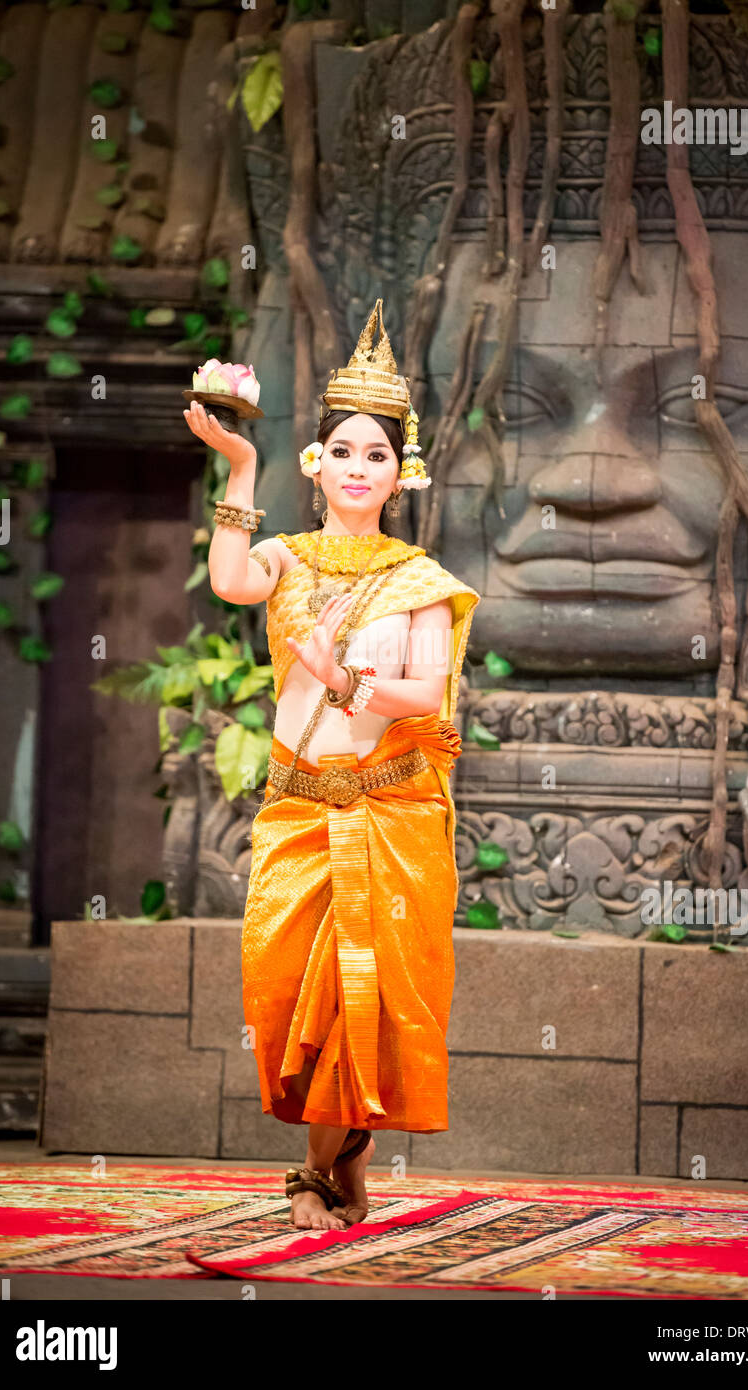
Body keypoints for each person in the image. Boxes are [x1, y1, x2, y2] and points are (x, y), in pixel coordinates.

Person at [184, 299, 479, 1231]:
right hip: (299, 808)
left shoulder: (420, 580)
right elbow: (230, 581)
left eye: (377, 455)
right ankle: (344, 1163)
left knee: (369, 1000)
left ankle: (317, 1176)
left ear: (403, 473)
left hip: (390, 812)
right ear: (316, 462)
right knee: (289, 996)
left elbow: (424, 697)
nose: (358, 468)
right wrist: (240, 465)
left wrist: (341, 676)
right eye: (342, 450)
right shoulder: (284, 557)